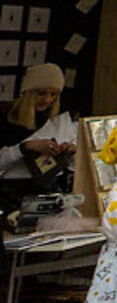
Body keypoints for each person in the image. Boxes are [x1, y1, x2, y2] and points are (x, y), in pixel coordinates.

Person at [1, 64, 78, 201]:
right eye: (41, 93)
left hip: (51, 193)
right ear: (28, 93)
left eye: (53, 94)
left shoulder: (61, 119)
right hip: (10, 194)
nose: (48, 100)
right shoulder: (6, 118)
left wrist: (72, 151)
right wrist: (25, 148)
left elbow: (75, 166)